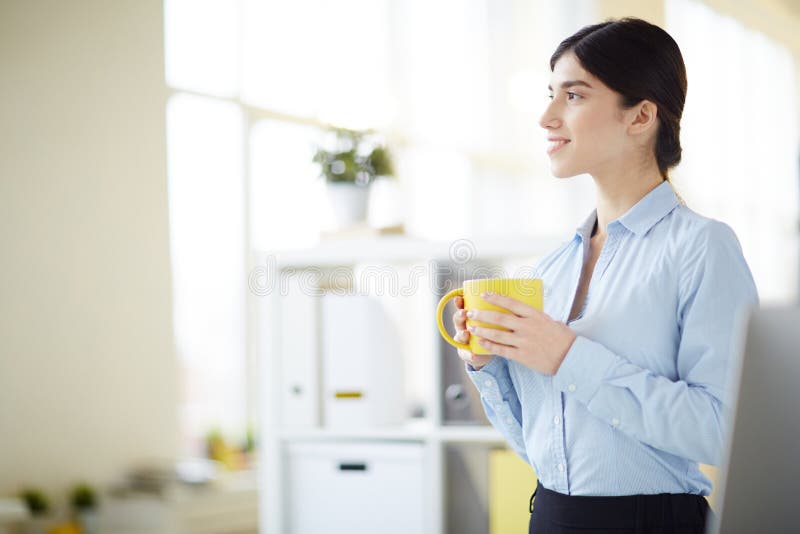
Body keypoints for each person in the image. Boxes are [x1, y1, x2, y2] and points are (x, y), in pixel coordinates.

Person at [451, 17, 758, 534]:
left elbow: (726, 430)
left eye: (573, 96)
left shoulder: (702, 247)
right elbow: (540, 445)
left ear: (640, 117)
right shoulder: (550, 269)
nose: (546, 117)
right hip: (552, 517)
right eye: (550, 94)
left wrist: (567, 356)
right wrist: (488, 367)